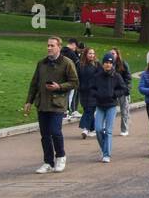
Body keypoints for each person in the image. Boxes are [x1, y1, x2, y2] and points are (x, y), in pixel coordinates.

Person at [24, 36, 80, 173]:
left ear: (59, 47)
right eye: (48, 45)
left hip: (57, 104)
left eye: (52, 46)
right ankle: (48, 162)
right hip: (42, 103)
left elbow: (74, 82)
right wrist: (29, 101)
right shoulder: (41, 63)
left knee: (55, 131)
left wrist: (59, 87)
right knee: (45, 135)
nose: (49, 48)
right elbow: (34, 83)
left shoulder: (67, 63)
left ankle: (61, 156)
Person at [90, 52, 127, 163]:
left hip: (111, 106)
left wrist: (114, 94)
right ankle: (103, 149)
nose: (107, 65)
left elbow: (124, 89)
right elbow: (92, 89)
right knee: (98, 129)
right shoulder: (97, 76)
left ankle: (107, 154)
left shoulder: (116, 76)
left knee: (108, 131)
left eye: (110, 63)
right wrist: (97, 94)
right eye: (106, 62)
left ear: (113, 64)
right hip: (100, 106)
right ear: (103, 64)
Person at [76, 47, 100, 138]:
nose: (92, 55)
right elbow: (77, 77)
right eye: (90, 53)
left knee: (90, 110)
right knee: (87, 110)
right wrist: (78, 86)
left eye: (93, 53)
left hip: (93, 92)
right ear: (85, 54)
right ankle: (93, 129)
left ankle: (85, 129)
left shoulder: (97, 65)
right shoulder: (80, 65)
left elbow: (101, 77)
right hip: (83, 92)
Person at [61, 39, 81, 115]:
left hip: (62, 76)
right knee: (70, 95)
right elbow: (78, 64)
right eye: (75, 47)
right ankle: (68, 111)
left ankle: (64, 111)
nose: (75, 48)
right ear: (73, 44)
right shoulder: (71, 53)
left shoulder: (61, 51)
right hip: (71, 77)